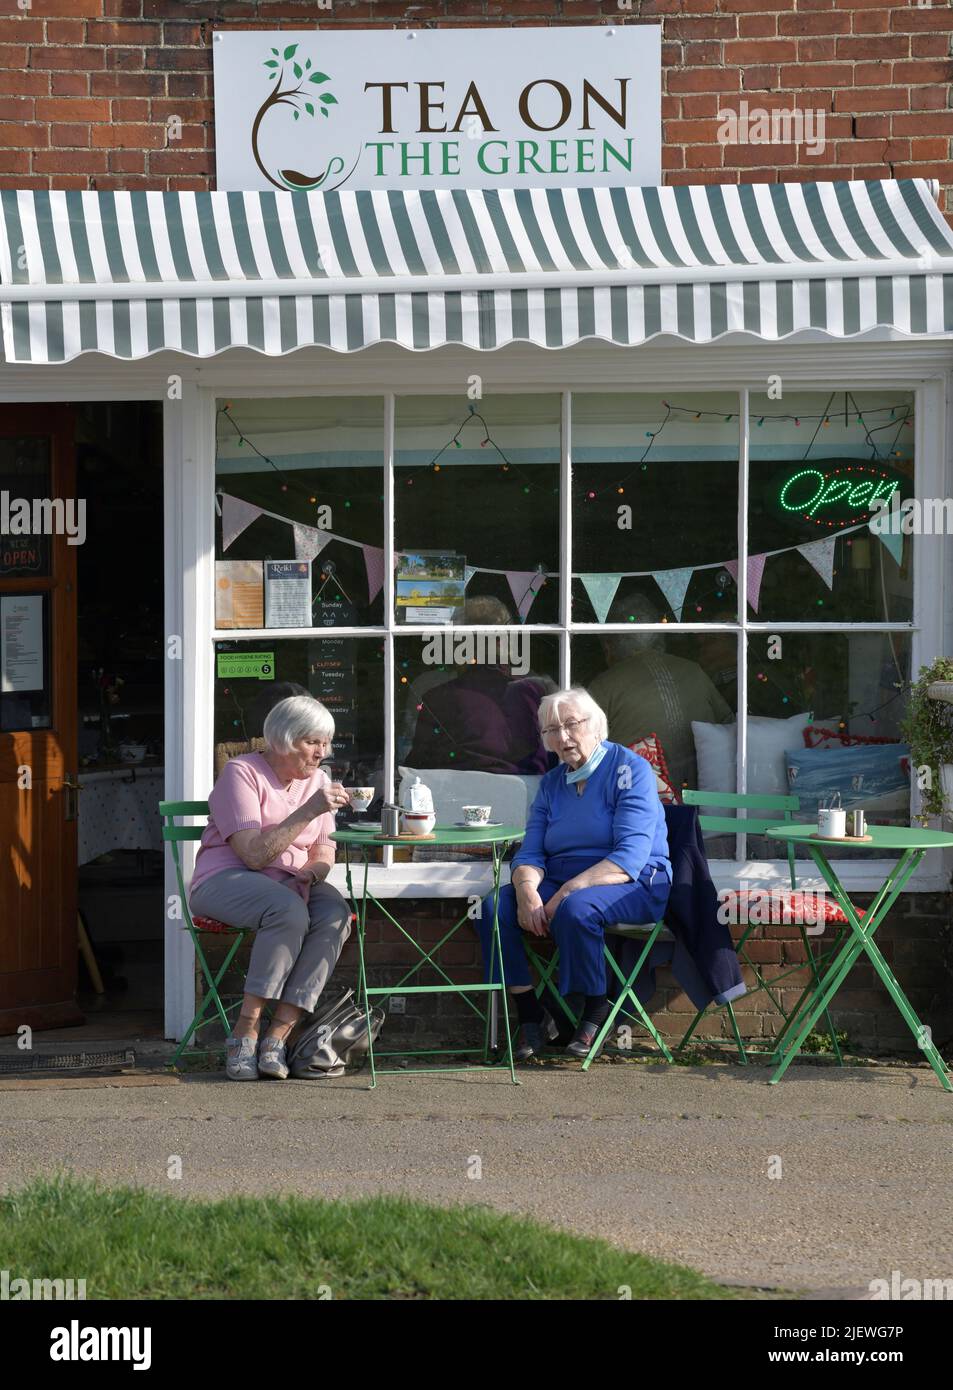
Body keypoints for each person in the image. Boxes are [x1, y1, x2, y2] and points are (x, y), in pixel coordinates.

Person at [476, 687, 671, 1061]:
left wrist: (564, 892)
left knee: (577, 908)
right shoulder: (551, 783)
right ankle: (532, 1014)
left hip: (634, 879)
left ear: (597, 726)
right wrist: (527, 891)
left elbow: (630, 855)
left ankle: (596, 1010)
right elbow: (531, 850)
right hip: (562, 876)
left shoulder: (630, 770)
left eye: (570, 725)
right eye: (552, 730)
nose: (562, 737)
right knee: (493, 908)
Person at [189, 695, 352, 1081]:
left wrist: (314, 873)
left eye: (325, 743)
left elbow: (324, 847)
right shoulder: (241, 773)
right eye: (313, 742)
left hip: (290, 882)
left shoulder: (319, 780)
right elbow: (253, 856)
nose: (321, 753)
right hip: (225, 880)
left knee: (335, 915)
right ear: (284, 739)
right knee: (288, 910)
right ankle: (245, 1030)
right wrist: (310, 809)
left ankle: (277, 1036)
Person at [588, 594, 732, 792]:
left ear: (609, 644)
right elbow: (729, 727)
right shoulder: (694, 671)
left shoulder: (603, 686)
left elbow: (584, 756)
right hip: (705, 798)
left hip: (639, 801)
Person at [405, 595, 553, 774]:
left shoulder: (438, 698)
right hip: (535, 797)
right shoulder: (540, 691)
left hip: (459, 797)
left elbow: (417, 769)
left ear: (460, 643)